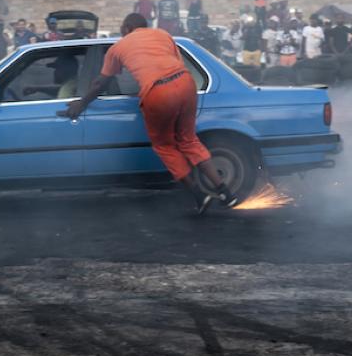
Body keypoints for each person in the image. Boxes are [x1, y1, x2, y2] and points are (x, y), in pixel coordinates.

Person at [64, 13, 239, 214]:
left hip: (158, 92)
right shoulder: (163, 35)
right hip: (185, 83)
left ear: (128, 27)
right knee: (188, 139)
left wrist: (82, 102)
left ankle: (199, 195)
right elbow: (174, 63)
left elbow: (100, 83)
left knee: (164, 145)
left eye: (122, 27)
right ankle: (225, 192)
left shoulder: (118, 47)